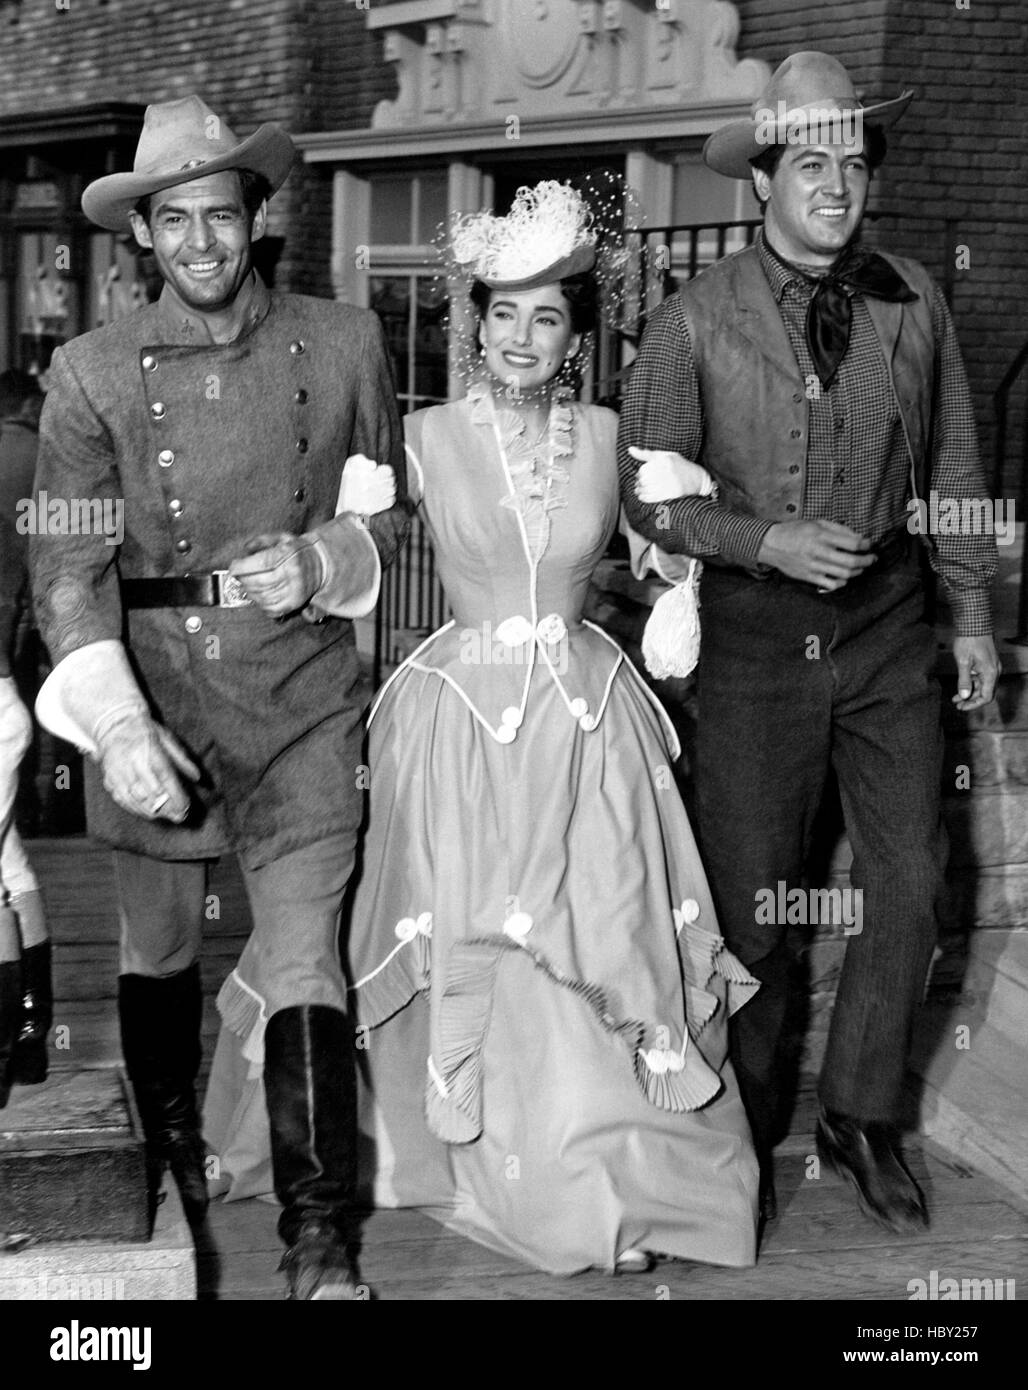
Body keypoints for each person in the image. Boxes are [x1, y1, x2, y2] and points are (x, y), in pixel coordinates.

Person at [206, 179, 761, 1276]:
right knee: (455, 934)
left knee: (599, 932)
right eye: (501, 312)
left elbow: (657, 550)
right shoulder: (416, 436)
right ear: (474, 322)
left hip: (589, 728)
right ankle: (450, 1139)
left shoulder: (612, 440)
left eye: (545, 315)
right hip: (455, 728)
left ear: (575, 336)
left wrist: (678, 573)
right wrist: (312, 563)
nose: (520, 335)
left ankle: (593, 1166)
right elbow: (363, 543)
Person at [29, 96, 411, 1299]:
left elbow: (390, 516)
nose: (201, 242)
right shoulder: (87, 373)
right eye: (174, 220)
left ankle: (319, 1244)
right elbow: (65, 559)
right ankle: (174, 1153)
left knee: (306, 955)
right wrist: (119, 722)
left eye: (221, 214)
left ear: (256, 215)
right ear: (143, 231)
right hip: (156, 695)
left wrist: (323, 562)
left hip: (302, 697)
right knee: (154, 946)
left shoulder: (345, 341)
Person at [618, 51, 1000, 1234]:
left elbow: (948, 472)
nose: (835, 181)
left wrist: (969, 611)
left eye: (851, 160)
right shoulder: (691, 319)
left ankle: (861, 1113)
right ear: (765, 176)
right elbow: (643, 501)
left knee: (911, 877)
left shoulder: (913, 300)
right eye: (810, 160)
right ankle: (744, 1115)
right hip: (748, 633)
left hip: (887, 625)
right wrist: (761, 538)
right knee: (752, 905)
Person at [0, 369, 52, 1106]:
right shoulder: (51, 467)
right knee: (9, 863)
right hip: (9, 692)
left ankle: (6, 1045)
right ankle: (34, 1036)